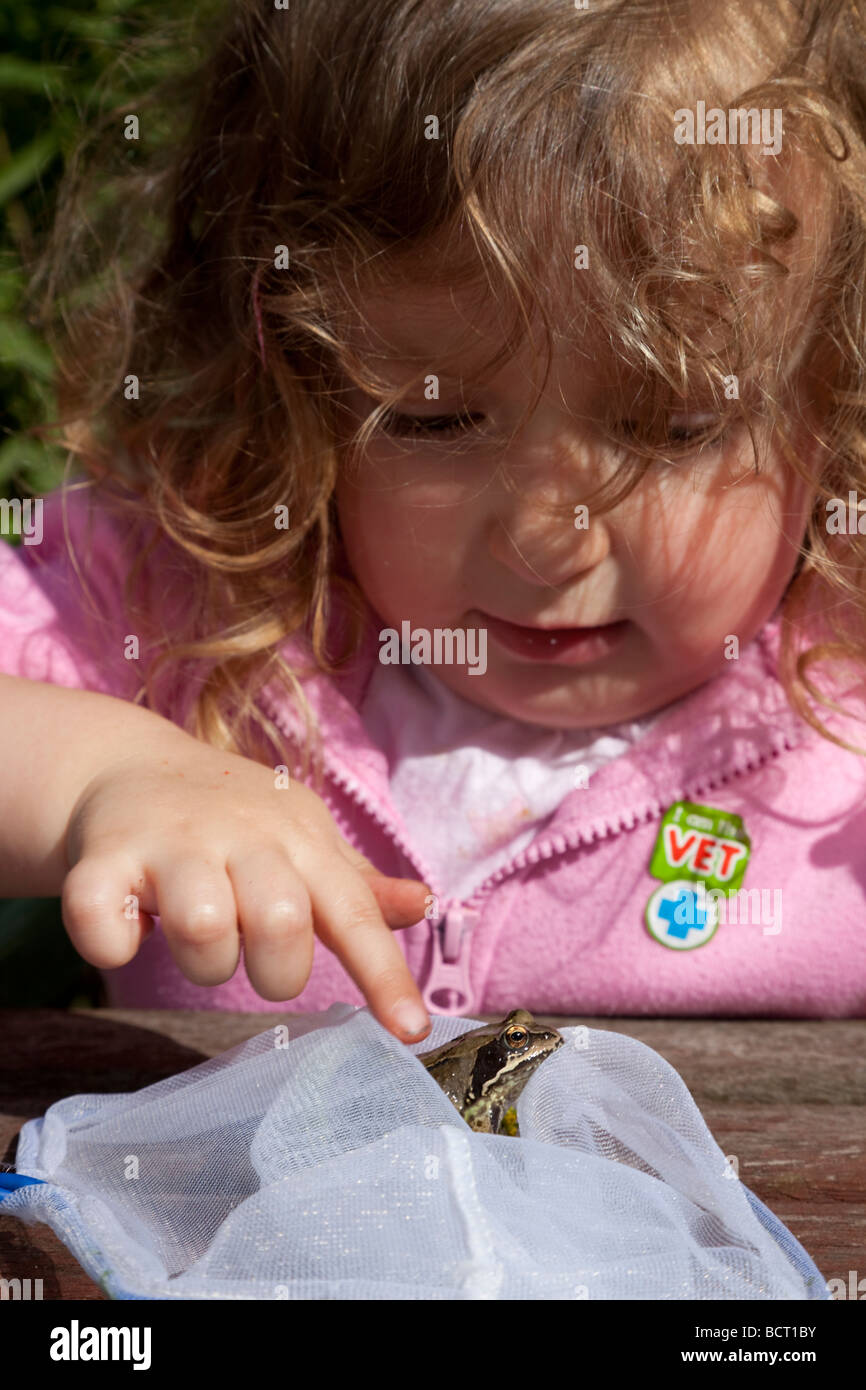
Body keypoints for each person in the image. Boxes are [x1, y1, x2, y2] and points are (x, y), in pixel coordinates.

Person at [2, 0, 866, 1039]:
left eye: (670, 429)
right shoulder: (186, 600)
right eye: (432, 416)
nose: (549, 536)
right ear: (291, 375)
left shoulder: (843, 706)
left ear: (833, 401)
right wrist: (108, 772)